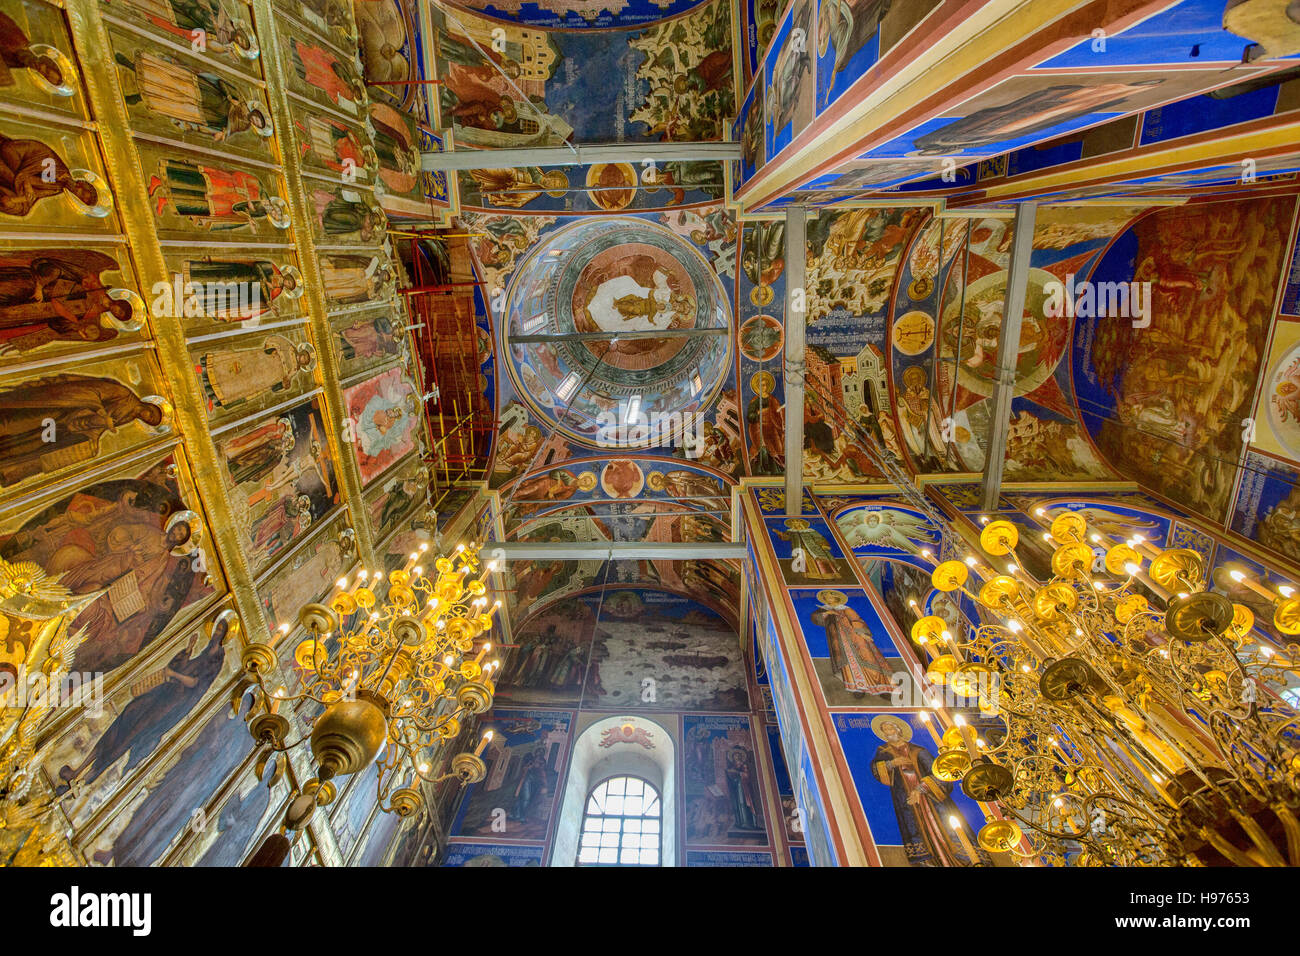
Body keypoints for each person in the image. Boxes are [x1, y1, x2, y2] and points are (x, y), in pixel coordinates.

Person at [0, 374, 164, 486]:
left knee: (39, 442)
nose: (147, 416)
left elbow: (101, 426)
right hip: (65, 407)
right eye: (151, 413)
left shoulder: (130, 416)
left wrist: (93, 438)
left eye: (150, 420)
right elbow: (91, 390)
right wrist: (99, 413)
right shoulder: (124, 394)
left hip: (70, 424)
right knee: (22, 422)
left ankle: (10, 462)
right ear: (150, 404)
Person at [869, 715, 989, 866]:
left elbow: (940, 773)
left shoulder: (919, 750)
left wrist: (919, 789)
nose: (888, 732)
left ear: (898, 730)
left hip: (931, 797)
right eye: (884, 730)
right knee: (914, 826)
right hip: (904, 798)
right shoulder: (883, 751)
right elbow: (876, 769)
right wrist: (892, 763)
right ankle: (927, 862)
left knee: (945, 825)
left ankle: (965, 859)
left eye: (890, 728)